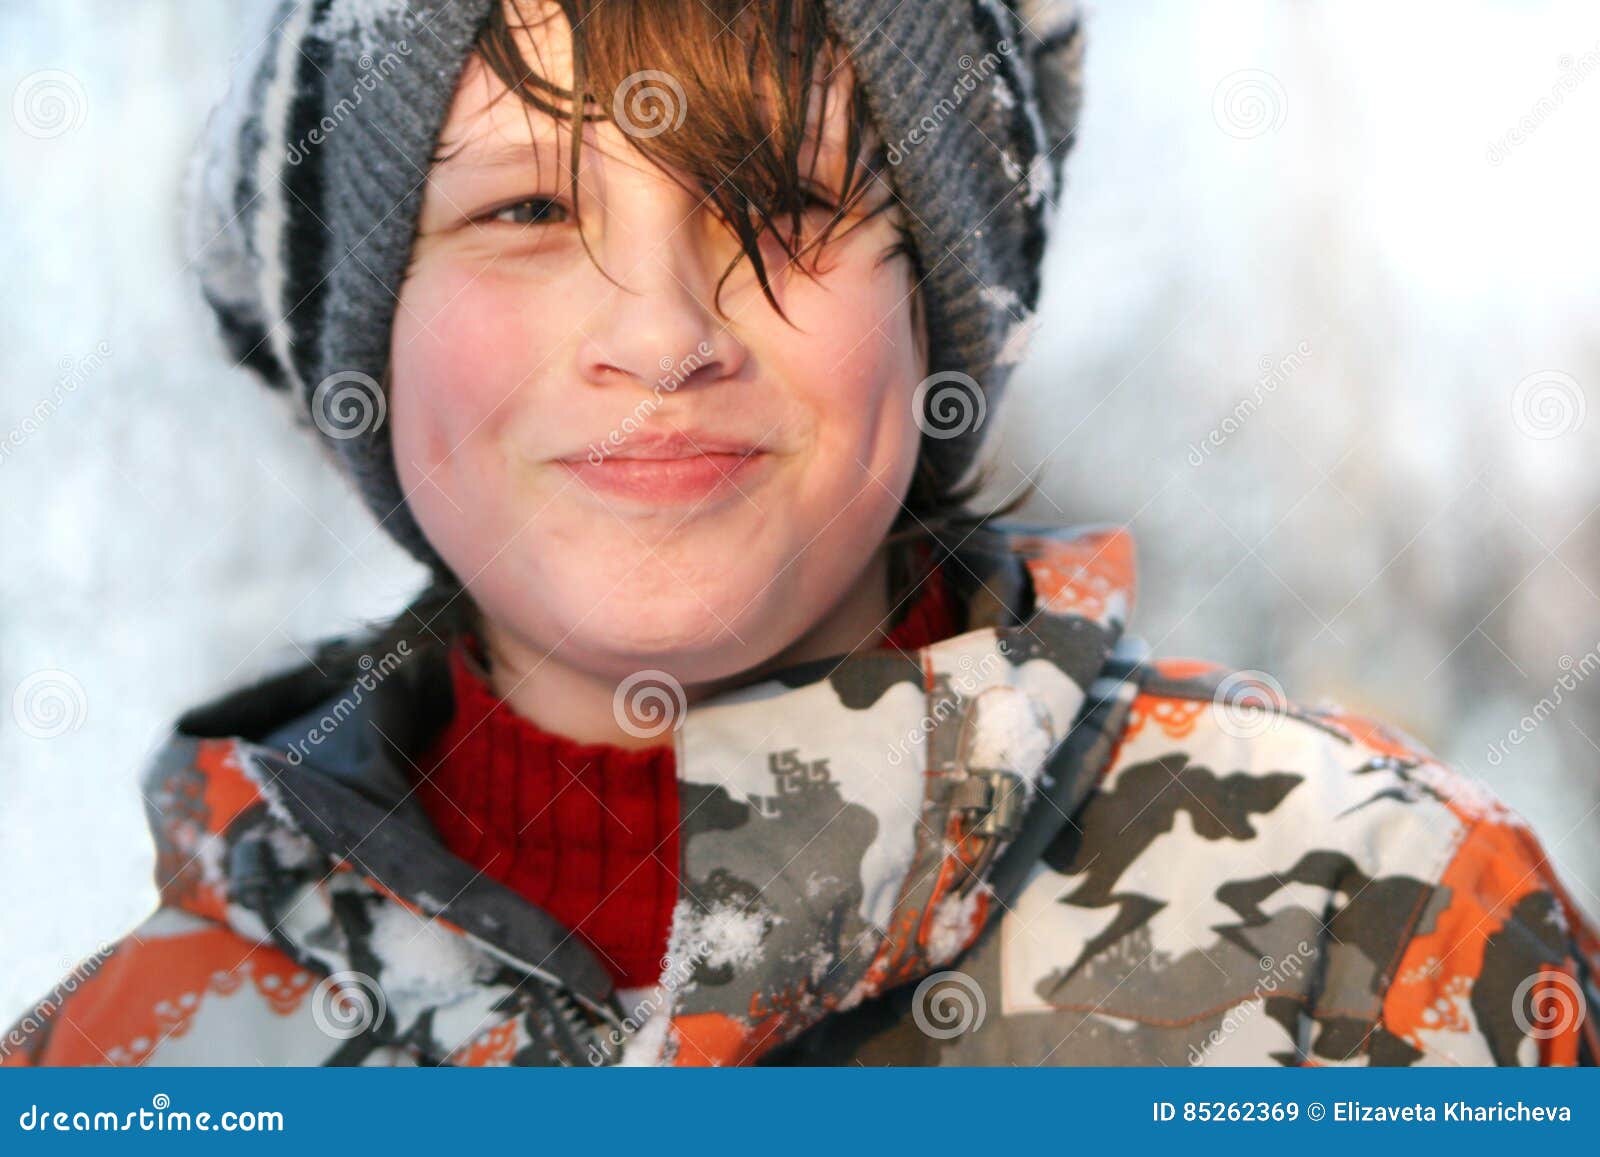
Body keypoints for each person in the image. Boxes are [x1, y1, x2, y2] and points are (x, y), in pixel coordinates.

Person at [4, 0, 1595, 1067]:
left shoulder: (1377, 931)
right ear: (364, 343)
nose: (662, 333)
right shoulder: (122, 1068)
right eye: (526, 212)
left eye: (782, 205)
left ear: (942, 316)